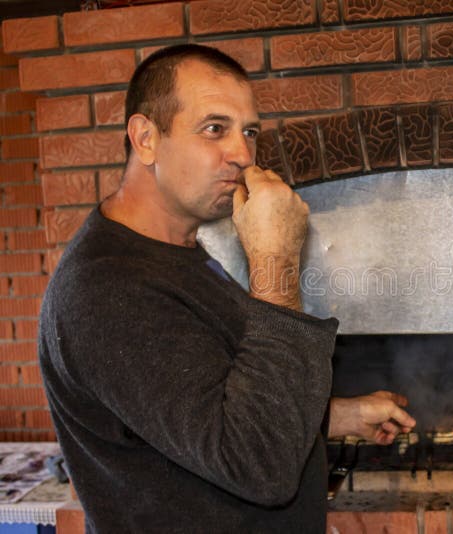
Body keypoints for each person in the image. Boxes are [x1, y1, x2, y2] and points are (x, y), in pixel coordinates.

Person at [38, 44, 416, 533]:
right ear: (146, 138)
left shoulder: (174, 254)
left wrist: (334, 416)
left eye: (250, 131)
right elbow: (260, 465)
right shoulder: (107, 289)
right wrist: (276, 261)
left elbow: (206, 410)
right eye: (214, 128)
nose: (242, 154)